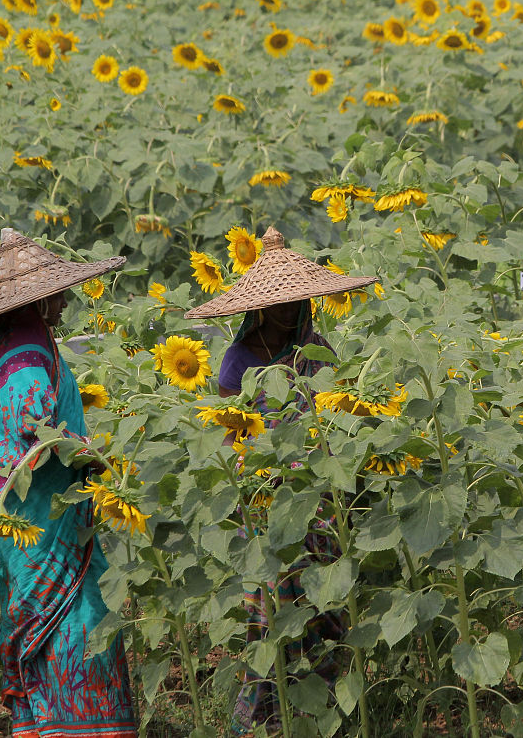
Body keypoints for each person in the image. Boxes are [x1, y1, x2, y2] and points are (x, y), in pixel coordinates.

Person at [0, 228, 136, 738]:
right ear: (39, 299)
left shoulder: (14, 342)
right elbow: (35, 428)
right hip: (44, 519)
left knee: (58, 616)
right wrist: (89, 452)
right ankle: (74, 726)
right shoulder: (25, 352)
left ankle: (47, 724)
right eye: (59, 292)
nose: (66, 300)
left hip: (35, 518)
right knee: (79, 622)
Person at [185, 226, 378, 734]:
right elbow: (231, 433)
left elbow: (333, 413)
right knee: (271, 610)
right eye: (280, 302)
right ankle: (267, 717)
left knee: (325, 603)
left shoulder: (316, 347)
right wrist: (266, 468)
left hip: (318, 494)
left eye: (297, 300)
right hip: (265, 495)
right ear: (260, 307)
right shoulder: (239, 359)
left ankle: (327, 712)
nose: (291, 309)